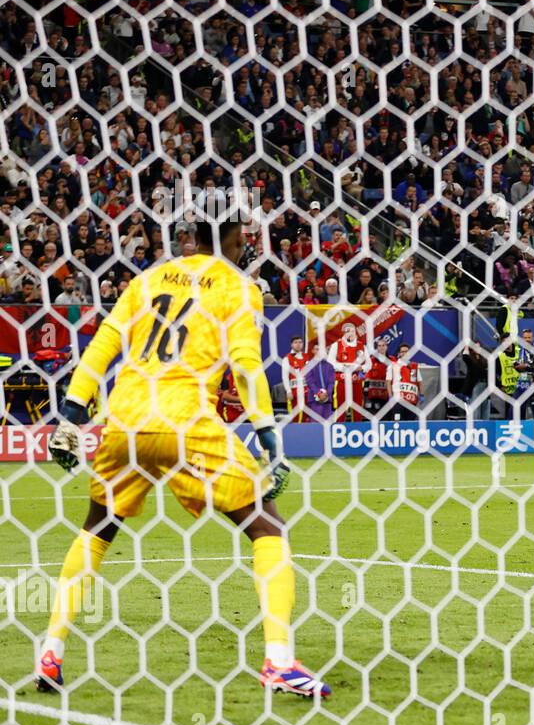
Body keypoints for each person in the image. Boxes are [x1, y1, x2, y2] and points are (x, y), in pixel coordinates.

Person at [43, 220, 328, 697]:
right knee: (268, 528)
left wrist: (71, 413)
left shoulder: (148, 279)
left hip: (125, 417)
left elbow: (106, 341)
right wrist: (266, 432)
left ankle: (50, 651)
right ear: (232, 239)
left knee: (97, 530)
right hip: (185, 419)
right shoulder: (238, 287)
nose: (248, 248)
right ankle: (279, 661)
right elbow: (245, 363)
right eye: (244, 240)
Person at [329, 322, 371, 422]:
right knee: (340, 408)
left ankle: (357, 431)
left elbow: (369, 365)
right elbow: (330, 362)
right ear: (343, 333)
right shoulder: (336, 345)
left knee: (357, 409)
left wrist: (361, 368)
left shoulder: (362, 346)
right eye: (347, 331)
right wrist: (343, 367)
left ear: (355, 332)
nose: (350, 333)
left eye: (352, 331)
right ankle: (338, 430)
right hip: (342, 381)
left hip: (357, 381)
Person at [385, 342, 423, 420]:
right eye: (403, 351)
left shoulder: (414, 366)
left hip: (411, 402)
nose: (405, 353)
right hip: (398, 401)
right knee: (398, 423)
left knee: (410, 425)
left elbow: (419, 382)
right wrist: (390, 396)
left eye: (407, 351)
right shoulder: (393, 365)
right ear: (399, 353)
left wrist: (421, 395)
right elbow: (388, 382)